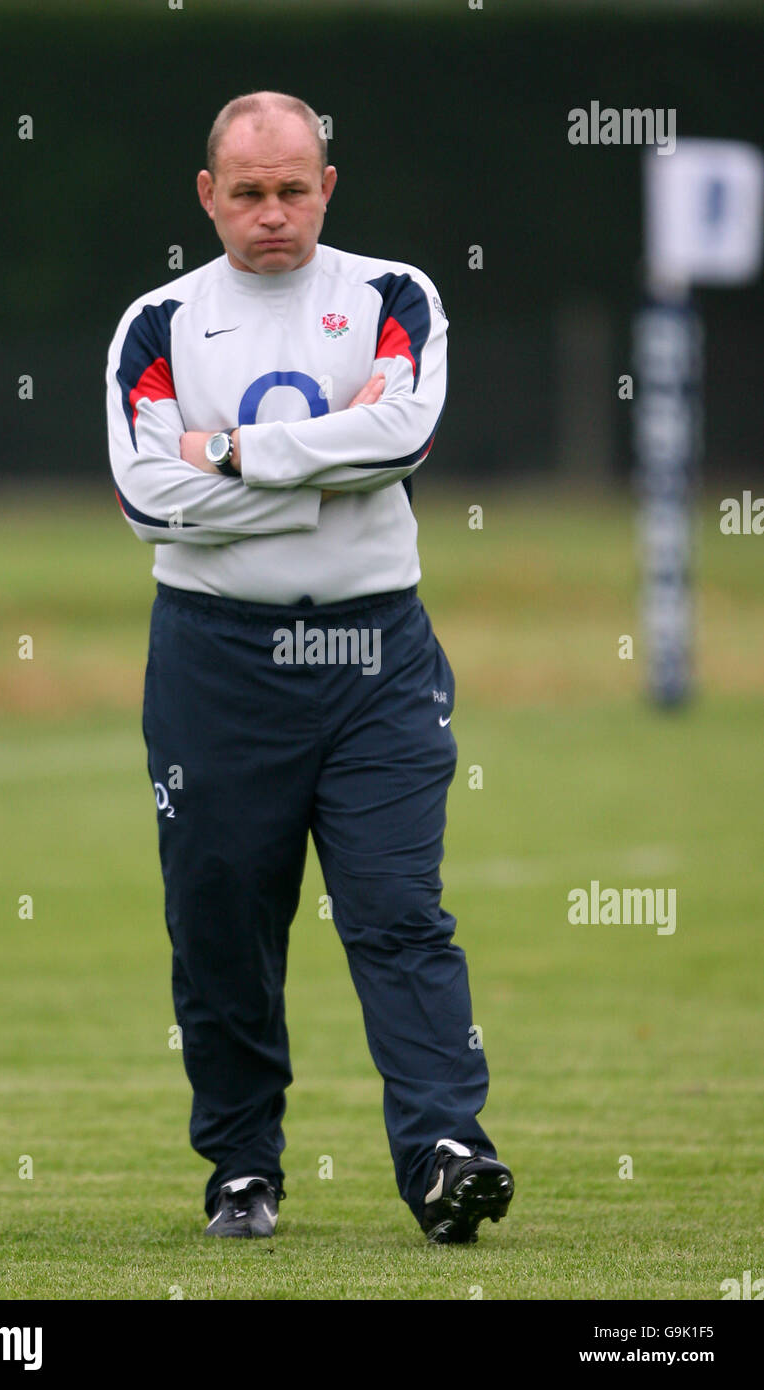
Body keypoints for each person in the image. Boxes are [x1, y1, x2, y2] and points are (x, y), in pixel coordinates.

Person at [105, 90, 513, 1244]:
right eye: (248, 192)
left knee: (397, 910)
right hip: (215, 661)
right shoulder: (159, 322)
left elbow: (404, 435)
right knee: (221, 920)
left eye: (293, 188)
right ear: (208, 195)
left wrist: (228, 454)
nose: (273, 211)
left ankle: (445, 1151)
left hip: (375, 656)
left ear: (328, 186)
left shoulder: (393, 295)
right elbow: (147, 499)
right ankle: (243, 1168)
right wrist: (325, 481)